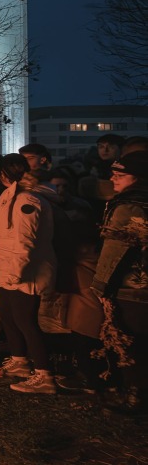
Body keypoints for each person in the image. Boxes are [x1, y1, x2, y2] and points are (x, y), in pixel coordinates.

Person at [0, 154, 58, 393]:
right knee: (9, 316)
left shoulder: (26, 200)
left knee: (25, 321)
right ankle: (19, 362)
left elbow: (24, 241)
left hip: (25, 271)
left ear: (4, 175)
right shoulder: (11, 197)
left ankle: (44, 375)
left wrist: (15, 273)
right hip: (9, 269)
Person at [90, 150, 148, 412]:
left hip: (132, 286)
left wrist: (101, 285)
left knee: (130, 340)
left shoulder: (128, 206)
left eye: (120, 174)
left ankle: (134, 396)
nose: (113, 178)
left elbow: (115, 249)